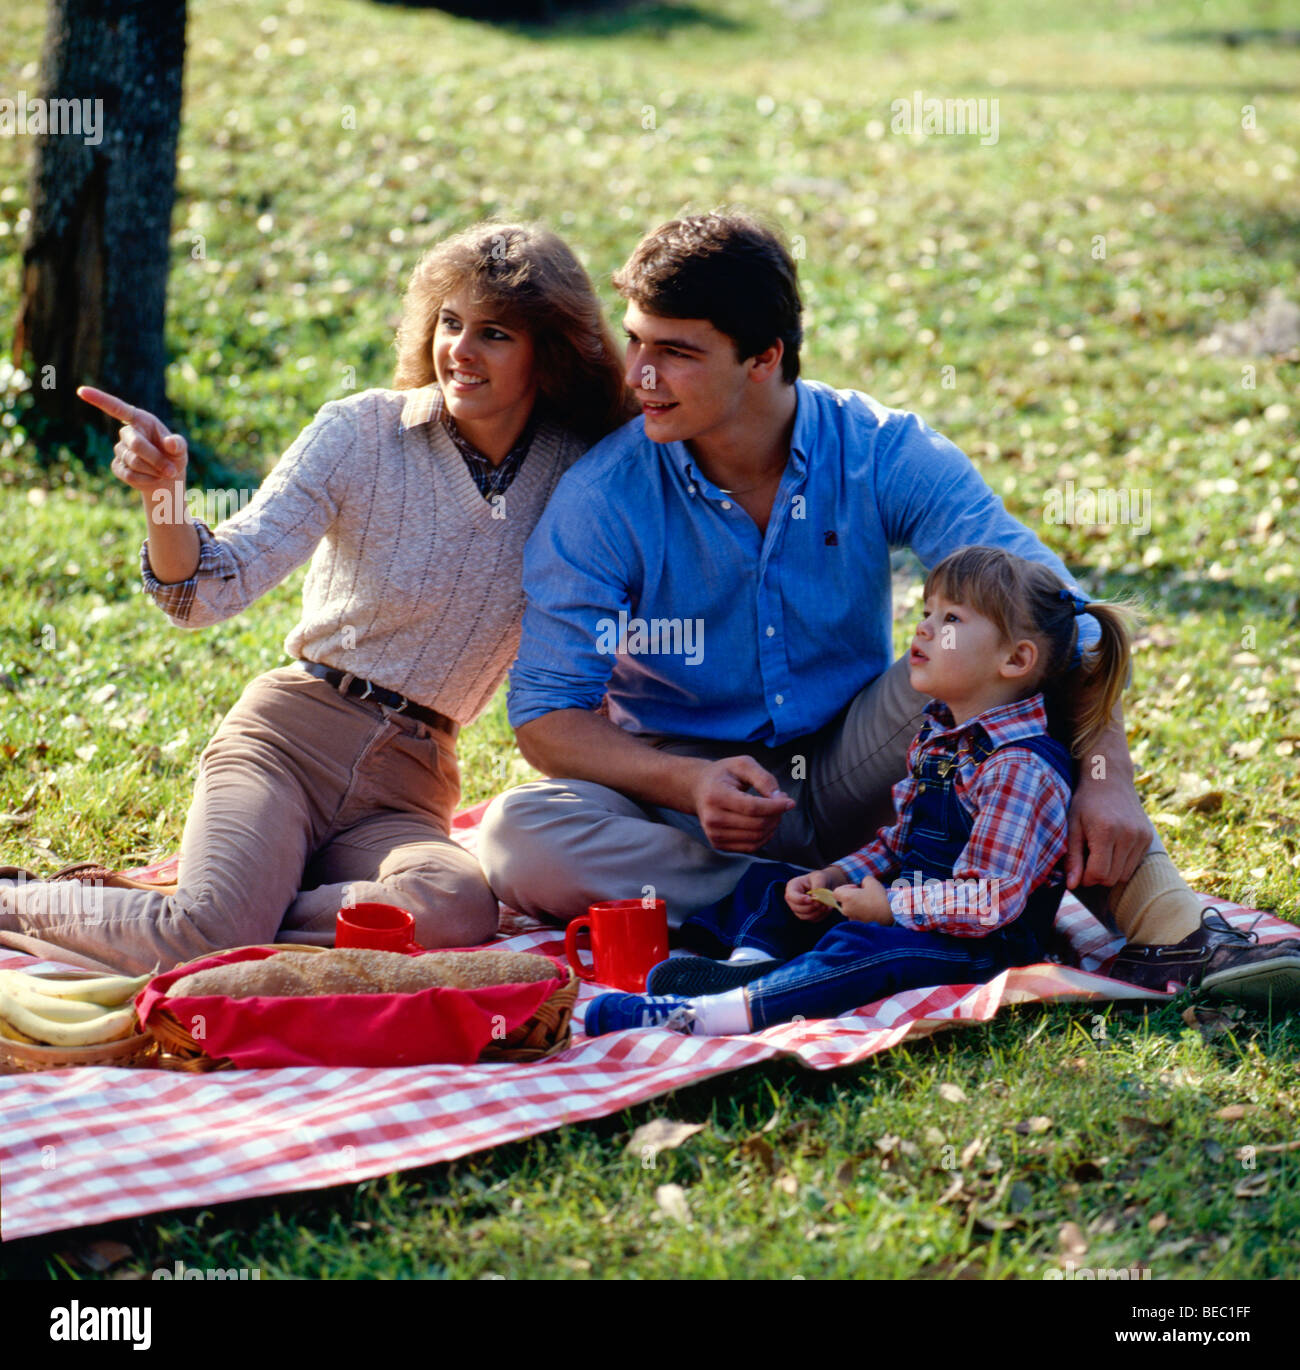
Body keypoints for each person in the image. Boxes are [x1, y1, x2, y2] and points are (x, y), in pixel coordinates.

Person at [479, 210, 1300, 1004]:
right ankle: (807, 901)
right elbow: (547, 714)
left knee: (1004, 653)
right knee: (519, 838)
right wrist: (685, 779)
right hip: (682, 803)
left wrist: (1106, 773)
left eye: (676, 352)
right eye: (635, 341)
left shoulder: (878, 448)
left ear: (763, 357)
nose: (638, 376)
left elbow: (1057, 612)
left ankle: (1176, 931)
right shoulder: (604, 497)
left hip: (871, 770)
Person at [0, 221, 631, 975]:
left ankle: (225, 912)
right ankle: (54, 905)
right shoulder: (362, 433)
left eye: (493, 333)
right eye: (450, 322)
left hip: (411, 785)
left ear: (549, 352)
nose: (459, 350)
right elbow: (204, 594)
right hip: (288, 743)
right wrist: (165, 497)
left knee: (458, 909)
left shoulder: (581, 475)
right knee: (206, 931)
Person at [585, 547, 1128, 1034]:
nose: (921, 629)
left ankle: (709, 1014)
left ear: (1014, 660)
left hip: (977, 946)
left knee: (865, 949)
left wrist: (889, 907)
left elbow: (989, 899)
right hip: (909, 909)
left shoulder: (1019, 767)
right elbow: (900, 841)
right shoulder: (941, 737)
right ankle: (751, 967)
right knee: (774, 886)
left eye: (951, 619)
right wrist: (838, 876)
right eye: (925, 613)